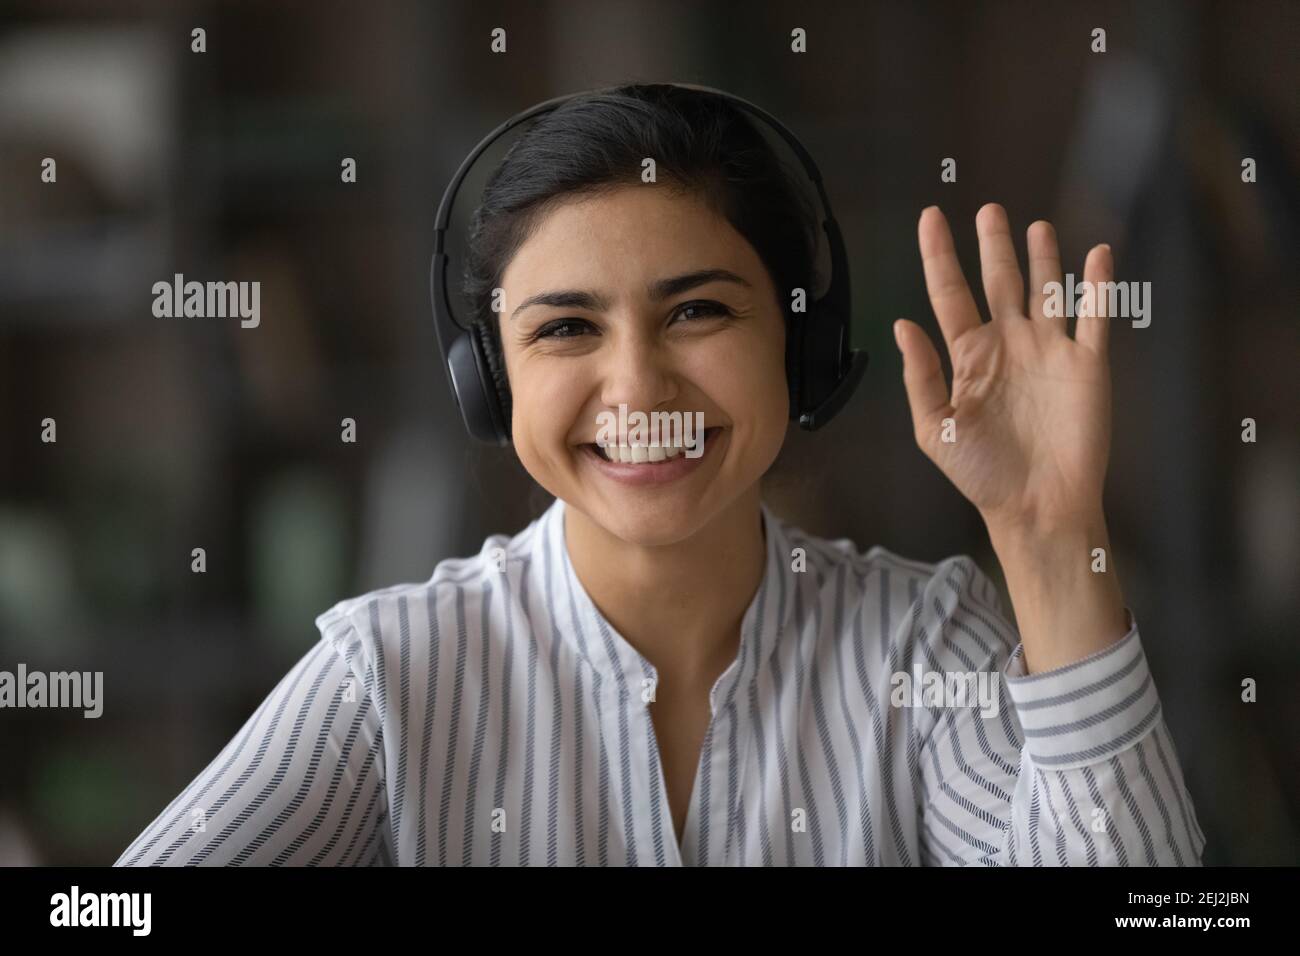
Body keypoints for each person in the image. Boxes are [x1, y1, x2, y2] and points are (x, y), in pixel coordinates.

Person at [115, 84, 1204, 866]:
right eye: (566, 328)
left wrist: (1049, 531)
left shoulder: (920, 647)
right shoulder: (389, 676)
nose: (634, 387)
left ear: (802, 344)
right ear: (489, 380)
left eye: (696, 310)